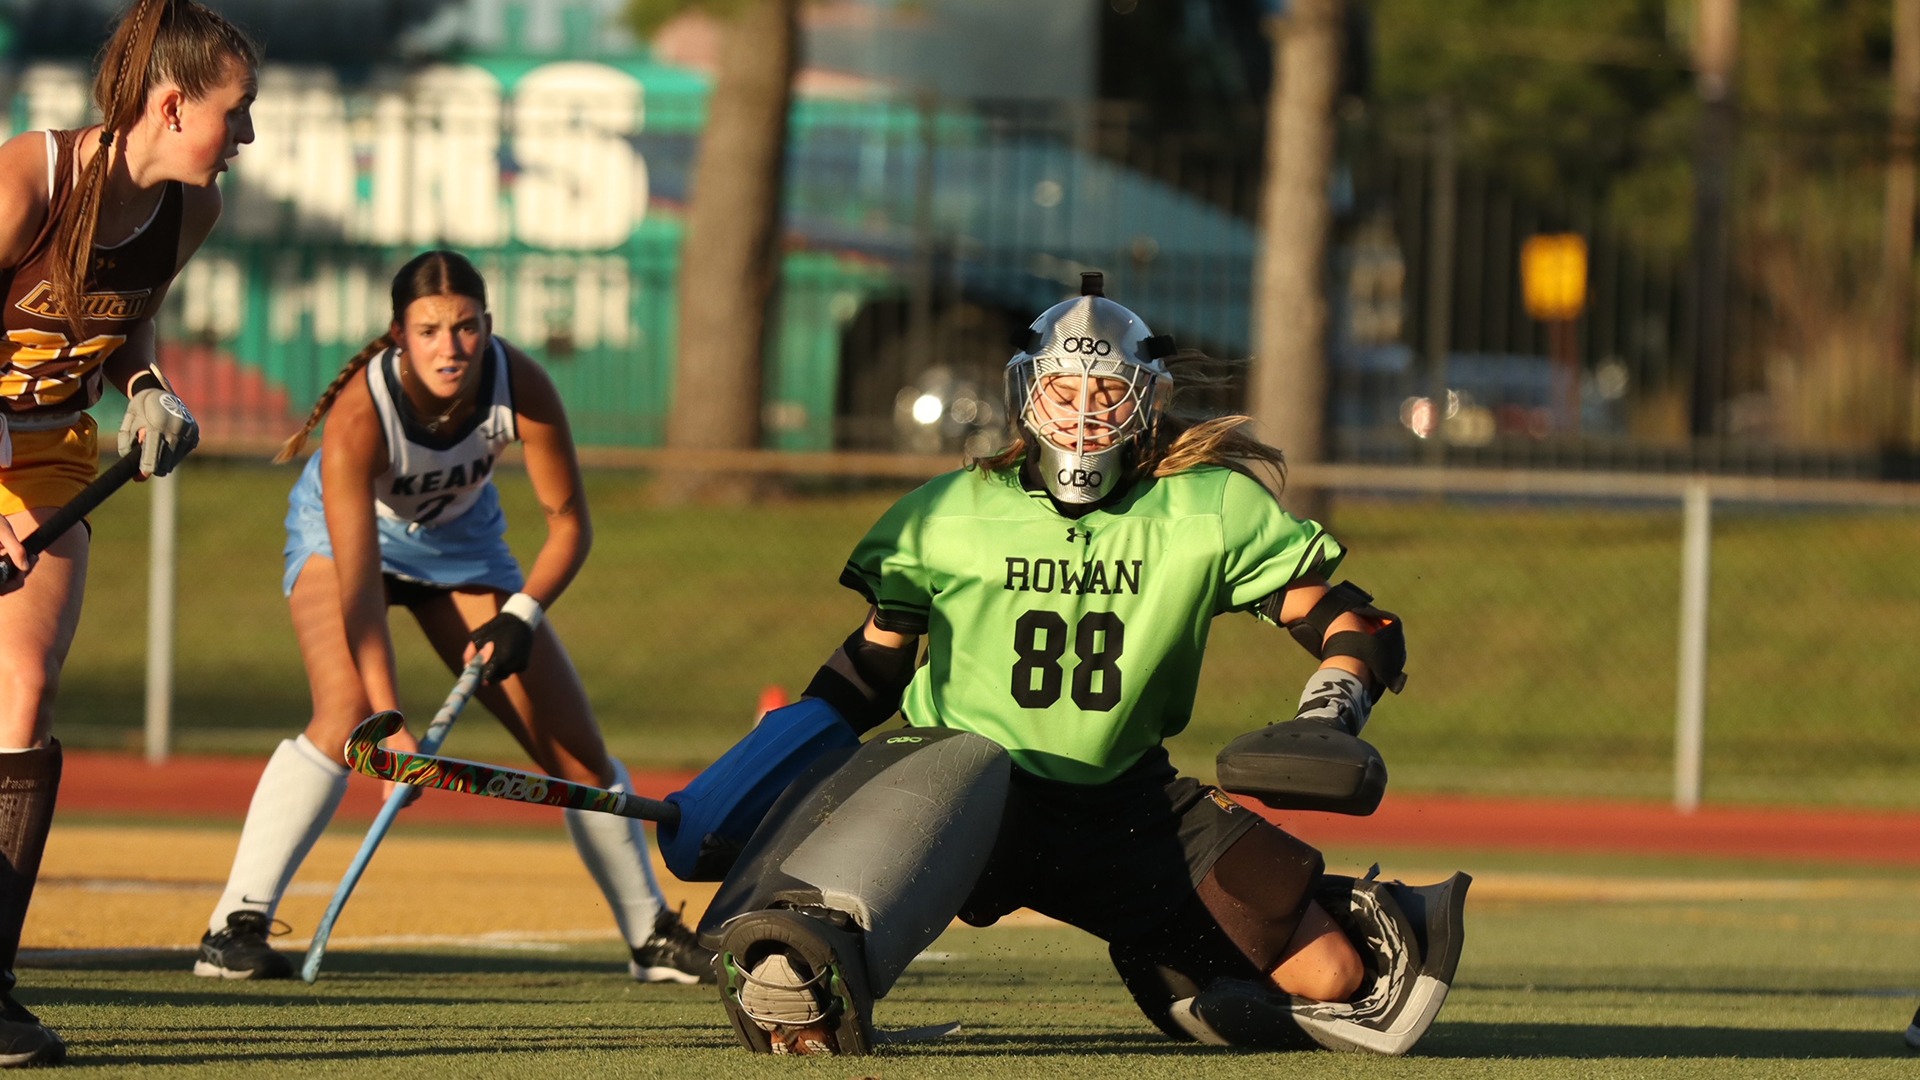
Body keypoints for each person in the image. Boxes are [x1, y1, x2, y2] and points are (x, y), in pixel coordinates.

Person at [689, 273, 1466, 1057]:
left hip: (1124, 805)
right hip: (961, 791)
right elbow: (870, 669)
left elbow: (1357, 626)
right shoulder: (947, 512)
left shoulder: (1207, 510)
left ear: (1145, 404)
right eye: (1065, 390)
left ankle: (1173, 971)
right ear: (1026, 396)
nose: (1086, 413)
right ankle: (801, 944)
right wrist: (763, 766)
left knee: (1337, 976)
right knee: (802, 982)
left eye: (1109, 393)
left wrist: (1331, 707)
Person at [193, 249, 711, 986]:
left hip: (463, 549)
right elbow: (360, 588)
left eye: (465, 328)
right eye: (430, 330)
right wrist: (387, 720)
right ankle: (233, 927)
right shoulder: (359, 416)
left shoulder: (520, 383)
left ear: (488, 327)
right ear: (399, 334)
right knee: (344, 716)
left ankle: (650, 937)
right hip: (344, 547)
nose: (451, 347)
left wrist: (522, 615)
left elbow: (570, 527)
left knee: (577, 752)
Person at [0, 0, 259, 1066]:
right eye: (237, 112)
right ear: (171, 103)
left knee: (23, 692)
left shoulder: (191, 209)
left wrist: (146, 382)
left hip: (54, 450)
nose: (247, 136)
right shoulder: (29, 177)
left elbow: (126, 313)